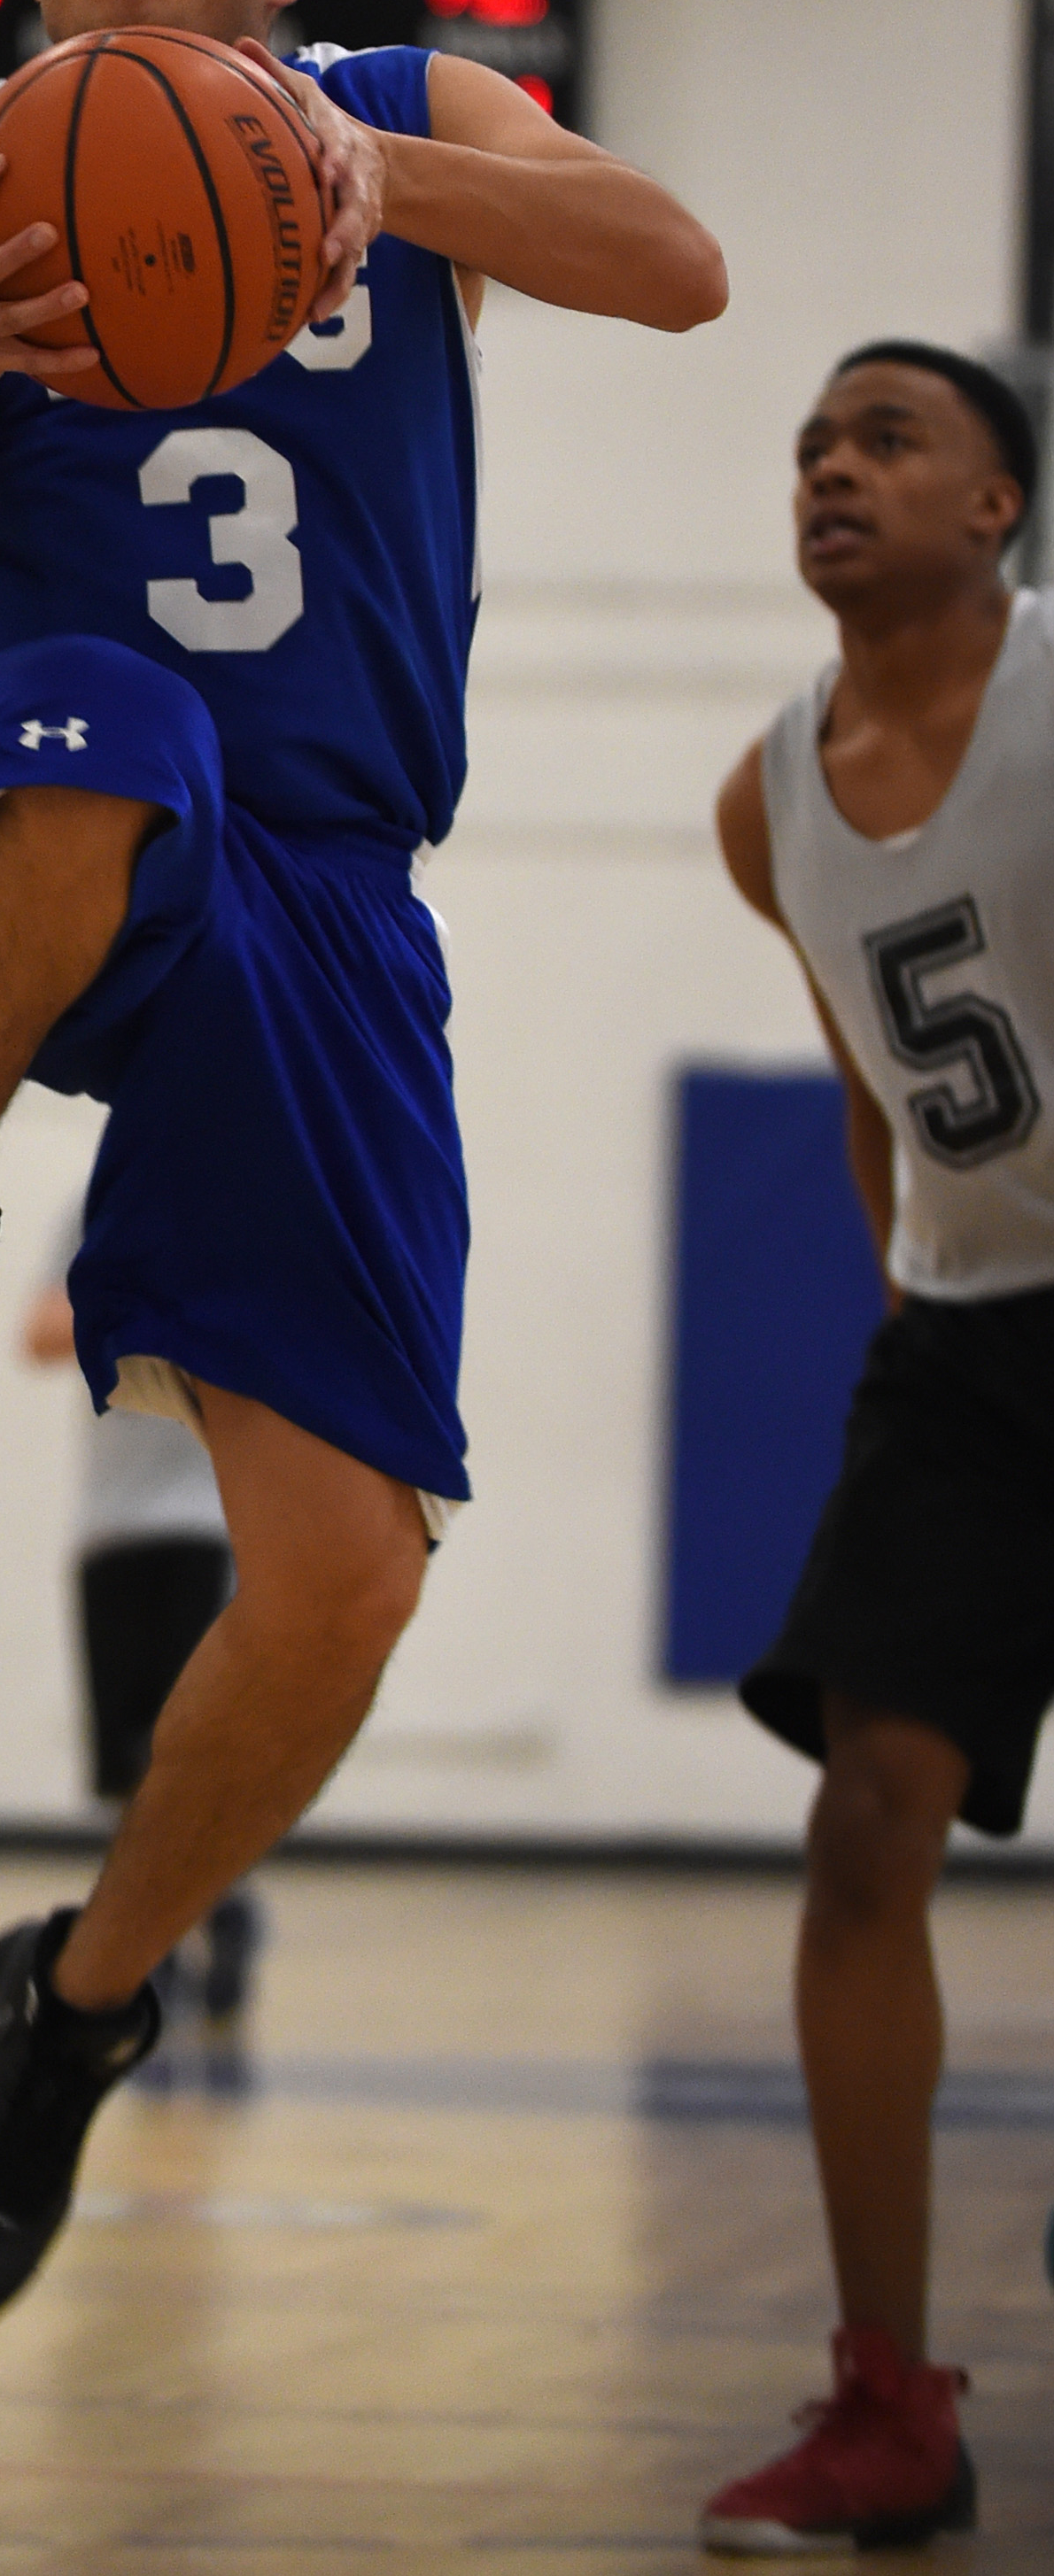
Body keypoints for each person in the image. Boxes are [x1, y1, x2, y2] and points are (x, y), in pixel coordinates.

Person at [0, 0, 728, 2324]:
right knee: (97, 711)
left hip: (321, 879)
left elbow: (678, 263)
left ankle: (80, 2004)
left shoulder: (404, 109)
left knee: (334, 1587)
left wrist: (368, 182)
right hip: (35, 788)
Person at [700, 340, 1050, 2553]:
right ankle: (883, 2402)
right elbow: (868, 1081)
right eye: (812, 444)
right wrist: (903, 1289)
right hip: (975, 1337)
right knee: (861, 1825)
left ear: (998, 506)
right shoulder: (765, 800)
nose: (833, 466)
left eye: (886, 436)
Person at [21, 1211, 259, 2056]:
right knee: (122, 1760)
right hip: (110, 1524)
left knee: (187, 1749)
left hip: (206, 1521)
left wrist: (134, 1313)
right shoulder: (100, 1203)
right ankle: (150, 1948)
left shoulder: (242, 1204)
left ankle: (221, 1912)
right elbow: (43, 1332)